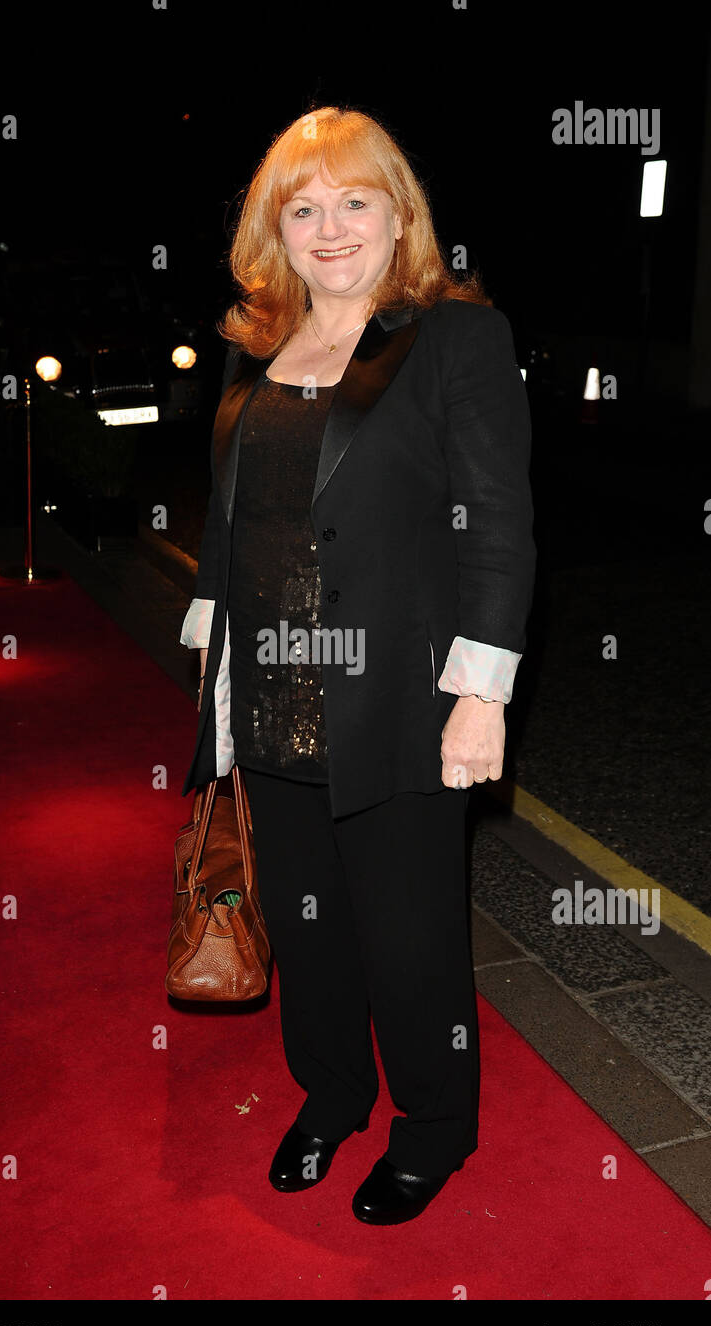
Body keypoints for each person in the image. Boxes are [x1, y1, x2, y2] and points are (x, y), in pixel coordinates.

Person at [179, 106, 535, 1226]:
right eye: (304, 207)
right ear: (272, 228)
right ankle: (330, 1095)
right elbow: (237, 516)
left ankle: (436, 1125)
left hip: (397, 707)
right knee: (311, 926)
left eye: (355, 202)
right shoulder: (256, 345)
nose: (329, 228)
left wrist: (481, 697)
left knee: (412, 938)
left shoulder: (457, 341)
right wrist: (211, 659)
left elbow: (499, 529)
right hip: (277, 696)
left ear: (399, 217)